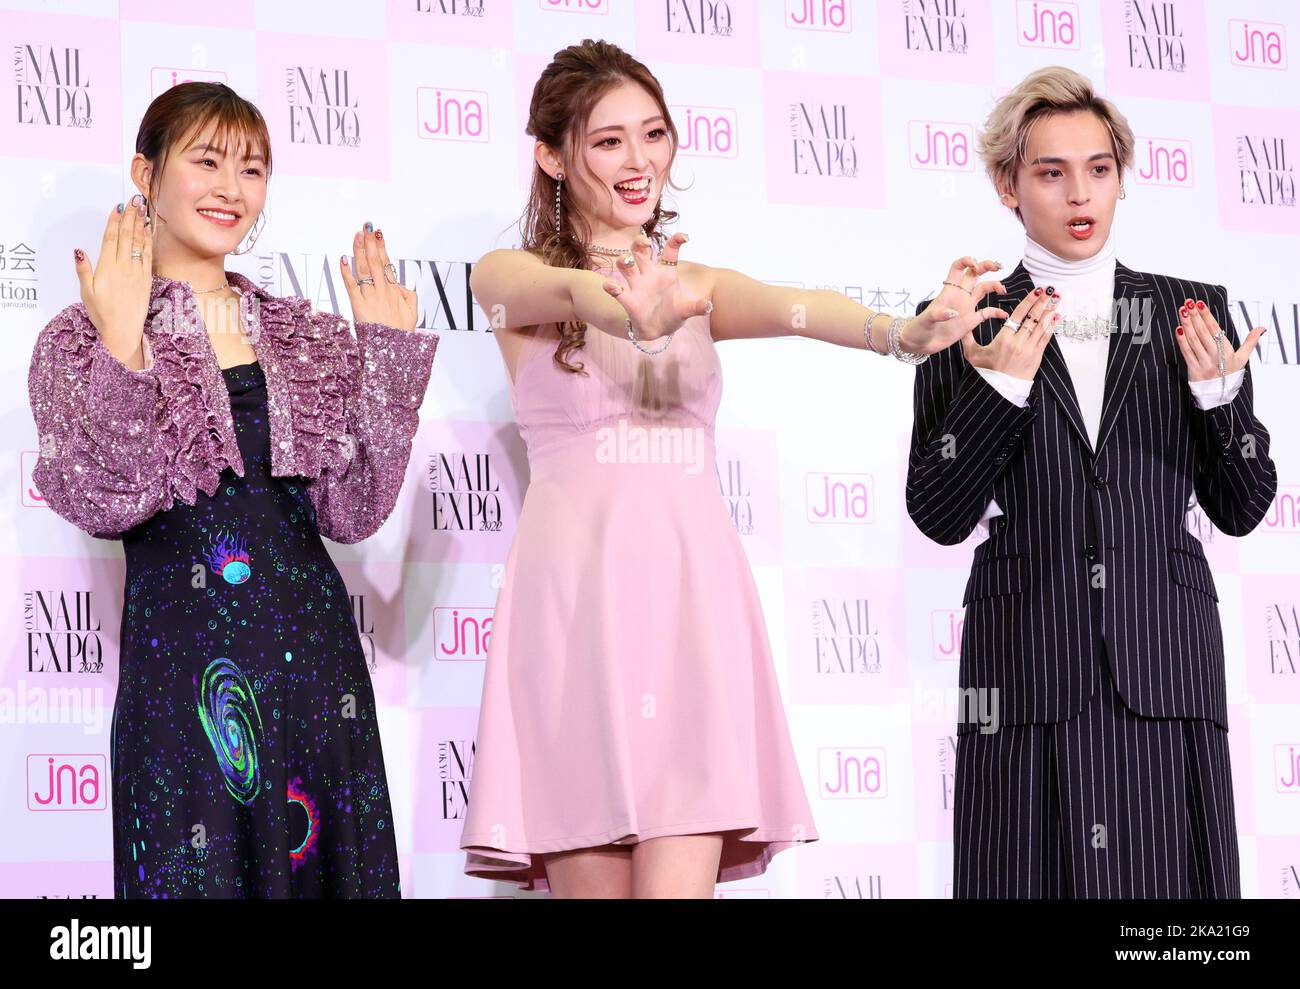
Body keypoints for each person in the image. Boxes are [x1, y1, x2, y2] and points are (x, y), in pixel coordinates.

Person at [460, 38, 1011, 898]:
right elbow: (554, 292)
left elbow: (799, 309)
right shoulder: (511, 278)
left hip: (688, 608)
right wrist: (623, 306)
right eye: (608, 141)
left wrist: (904, 334)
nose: (639, 161)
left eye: (654, 134)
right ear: (551, 154)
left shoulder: (698, 285)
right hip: (570, 614)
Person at [27, 82, 438, 898]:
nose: (231, 188)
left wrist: (385, 362)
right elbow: (111, 498)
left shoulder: (300, 335)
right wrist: (120, 340)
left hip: (315, 677)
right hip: (182, 680)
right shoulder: (76, 339)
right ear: (145, 172)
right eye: (207, 161)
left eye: (251, 168)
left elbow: (352, 513)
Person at [906, 66, 1276, 898]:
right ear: (1007, 184)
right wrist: (997, 388)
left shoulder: (1193, 309)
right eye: (1051, 171)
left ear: (1120, 177)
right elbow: (935, 510)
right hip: (1026, 669)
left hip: (1164, 668)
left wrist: (1220, 401)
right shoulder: (965, 315)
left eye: (1099, 169)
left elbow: (1245, 507)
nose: (1081, 193)